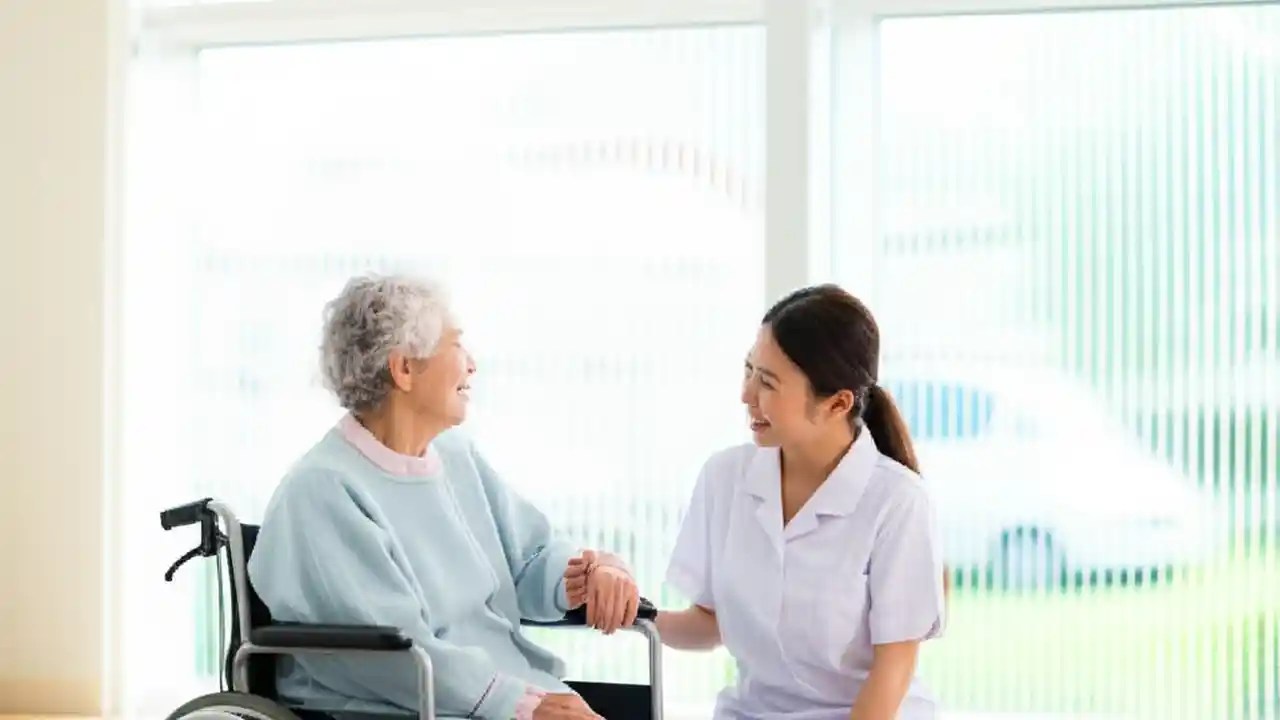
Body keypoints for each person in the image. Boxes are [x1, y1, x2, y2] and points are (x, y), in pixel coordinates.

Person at [248, 274, 639, 720]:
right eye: (455, 345)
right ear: (404, 368)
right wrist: (517, 704)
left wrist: (589, 574)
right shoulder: (322, 491)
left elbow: (531, 557)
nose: (472, 365)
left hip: (504, 695)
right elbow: (388, 655)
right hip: (400, 708)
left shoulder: (456, 458)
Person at [656, 284, 946, 720]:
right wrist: (629, 613)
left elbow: (893, 669)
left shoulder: (898, 502)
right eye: (749, 370)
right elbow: (709, 622)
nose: (746, 394)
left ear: (837, 403)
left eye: (768, 383)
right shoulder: (724, 478)